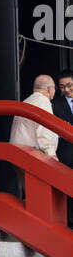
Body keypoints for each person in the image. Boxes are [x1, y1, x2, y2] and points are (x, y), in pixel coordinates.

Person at [9, 75, 58, 197]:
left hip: (16, 153)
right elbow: (44, 130)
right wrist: (51, 153)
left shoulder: (27, 101)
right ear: (49, 89)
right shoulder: (43, 102)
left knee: (30, 194)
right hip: (32, 154)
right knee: (40, 194)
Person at [52, 71, 73, 223]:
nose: (66, 90)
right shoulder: (56, 104)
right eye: (62, 87)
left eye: (69, 85)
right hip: (66, 153)